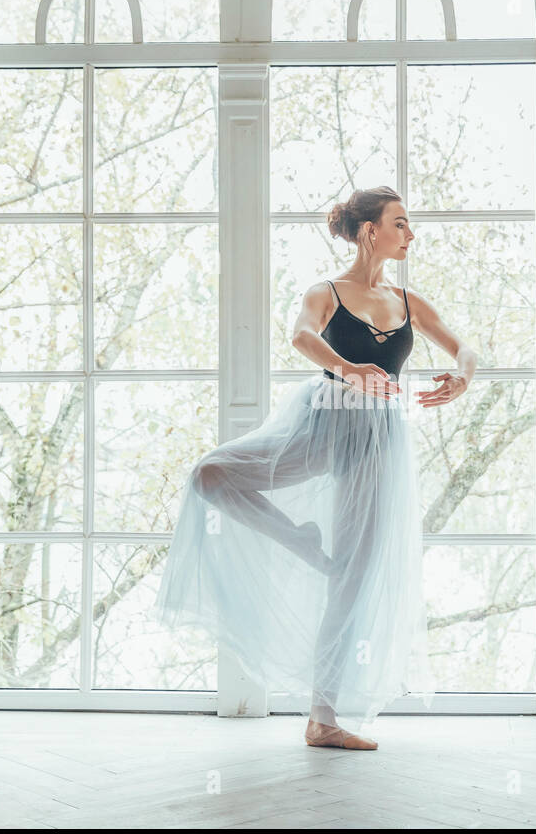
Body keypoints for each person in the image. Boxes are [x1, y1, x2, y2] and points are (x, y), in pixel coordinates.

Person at [153, 185, 478, 750]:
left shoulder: (409, 302)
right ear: (370, 230)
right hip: (323, 422)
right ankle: (298, 538)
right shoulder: (325, 291)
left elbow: (464, 348)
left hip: (377, 442)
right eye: (401, 223)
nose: (411, 233)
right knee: (211, 474)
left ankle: (322, 719)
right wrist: (350, 368)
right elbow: (301, 335)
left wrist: (464, 376)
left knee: (352, 577)